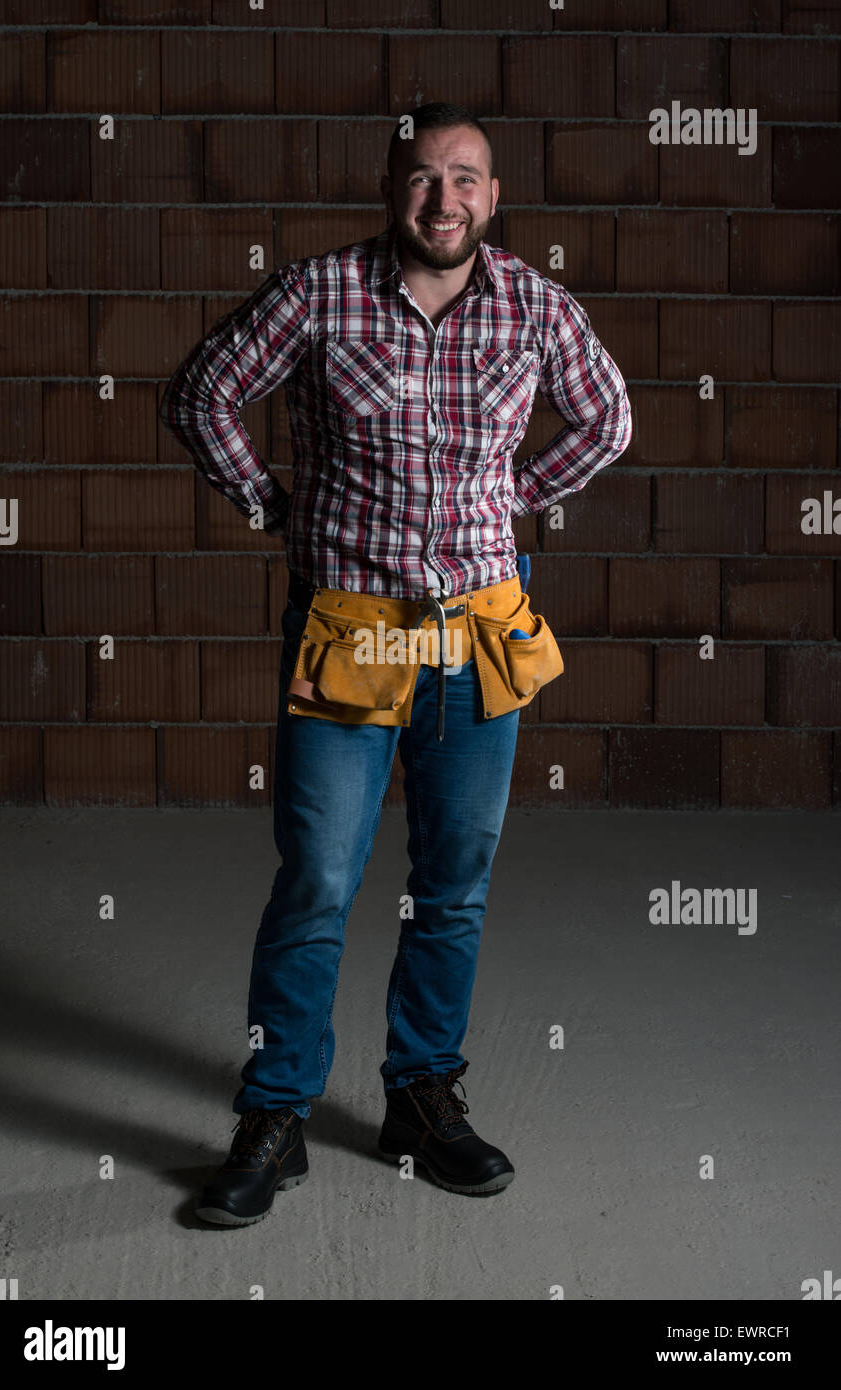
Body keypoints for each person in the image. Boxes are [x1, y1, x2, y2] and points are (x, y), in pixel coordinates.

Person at [159, 102, 632, 1227]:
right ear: (391, 189)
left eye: (464, 179)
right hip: (353, 629)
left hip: (480, 631)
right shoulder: (318, 292)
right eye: (423, 178)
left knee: (452, 883)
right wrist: (273, 504)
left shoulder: (532, 304)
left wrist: (508, 502)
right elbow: (200, 392)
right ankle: (276, 1114)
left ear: (493, 197)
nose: (443, 199)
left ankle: (421, 1097)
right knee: (318, 874)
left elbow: (608, 420)